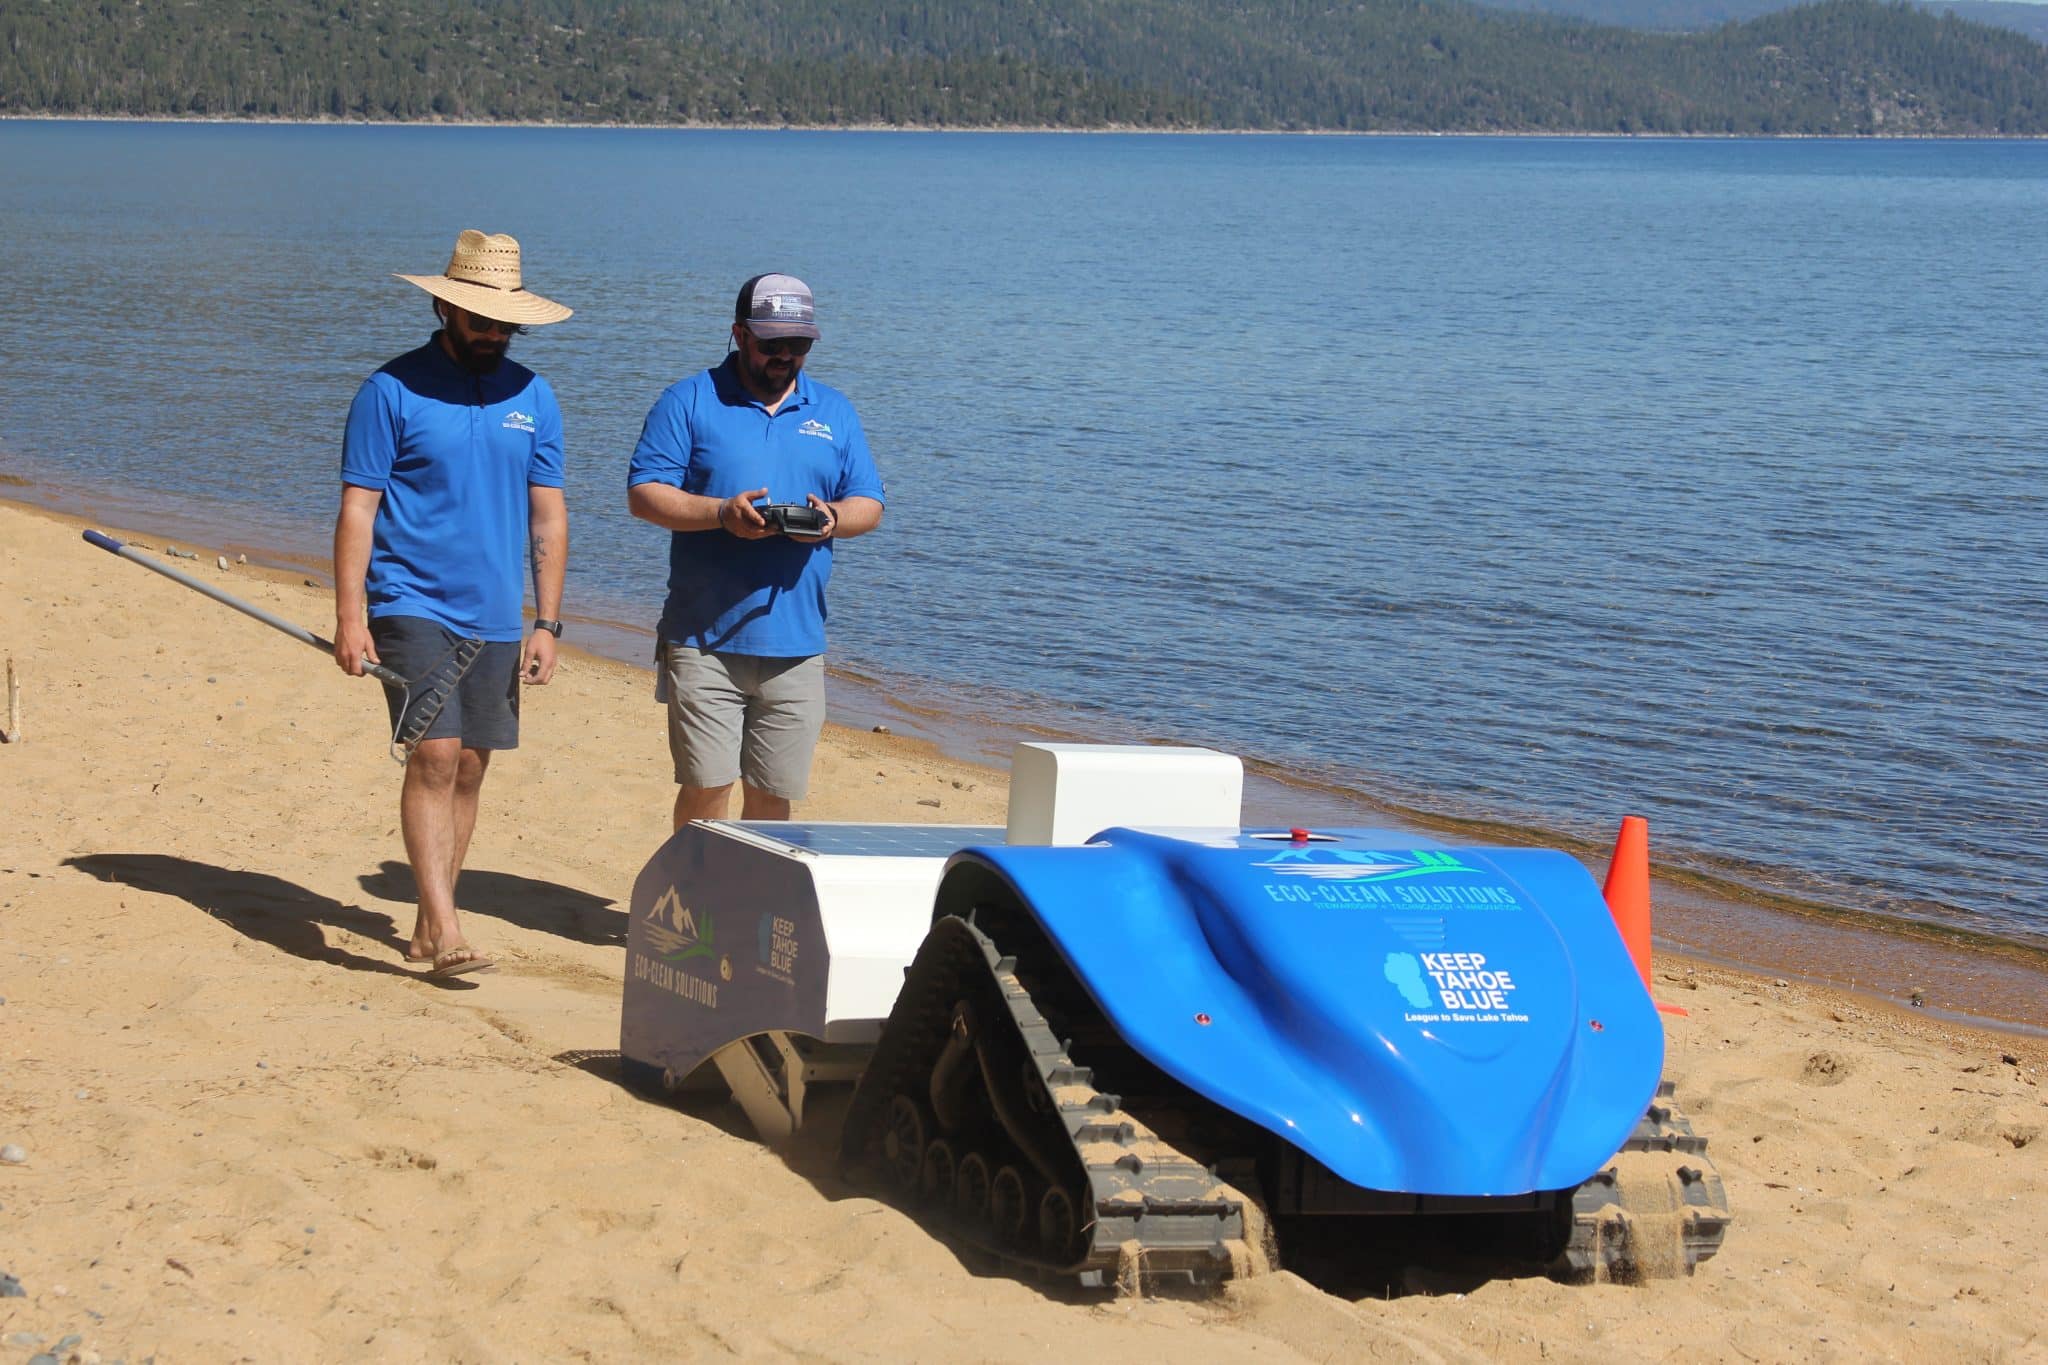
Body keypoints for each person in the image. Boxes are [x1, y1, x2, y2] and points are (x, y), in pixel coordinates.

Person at [332, 229, 572, 978]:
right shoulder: (389, 390)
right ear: (444, 308)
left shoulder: (534, 396)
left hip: (498, 611)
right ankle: (446, 925)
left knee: (469, 765)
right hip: (409, 598)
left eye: (505, 323)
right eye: (480, 319)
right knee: (434, 753)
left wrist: (547, 622)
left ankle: (427, 922)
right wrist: (350, 617)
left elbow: (548, 515)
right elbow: (359, 508)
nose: (493, 333)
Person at [627, 273, 885, 828]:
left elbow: (869, 503)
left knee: (772, 804)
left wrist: (832, 520)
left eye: (799, 344)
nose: (785, 356)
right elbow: (644, 495)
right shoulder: (688, 400)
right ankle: (696, 887)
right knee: (706, 793)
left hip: (797, 644)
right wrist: (722, 514)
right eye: (772, 343)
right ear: (740, 334)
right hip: (703, 639)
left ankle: (751, 888)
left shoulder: (834, 410)